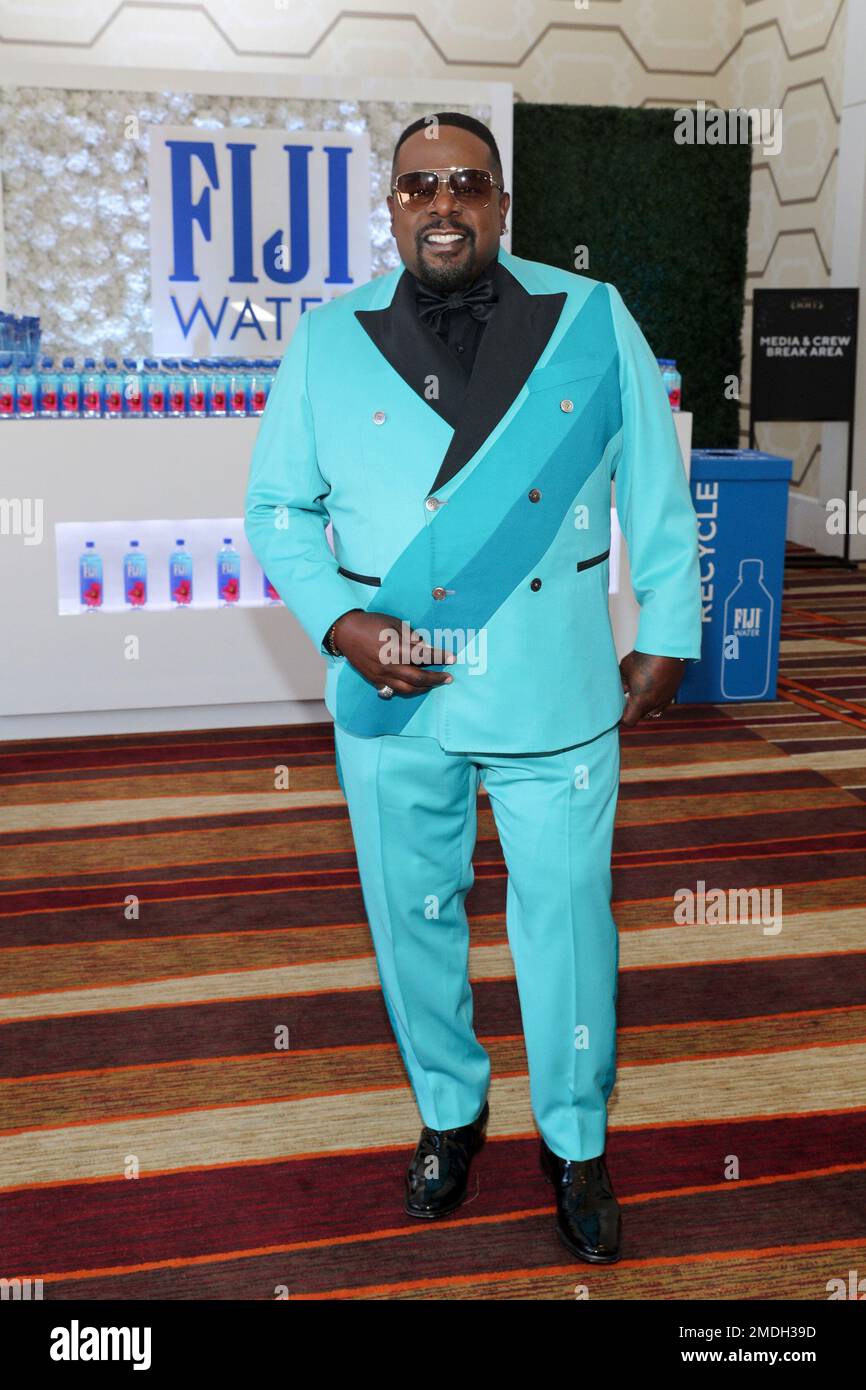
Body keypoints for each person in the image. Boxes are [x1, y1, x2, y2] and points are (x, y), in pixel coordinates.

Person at [245, 112, 701, 1264]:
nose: (440, 203)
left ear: (500, 203)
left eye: (466, 183)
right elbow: (275, 511)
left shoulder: (590, 319)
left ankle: (577, 1140)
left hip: (551, 681)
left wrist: (670, 625)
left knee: (565, 924)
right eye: (416, 187)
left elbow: (653, 481)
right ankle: (448, 1114)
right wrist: (341, 623)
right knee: (412, 921)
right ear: (391, 205)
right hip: (393, 690)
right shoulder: (324, 338)